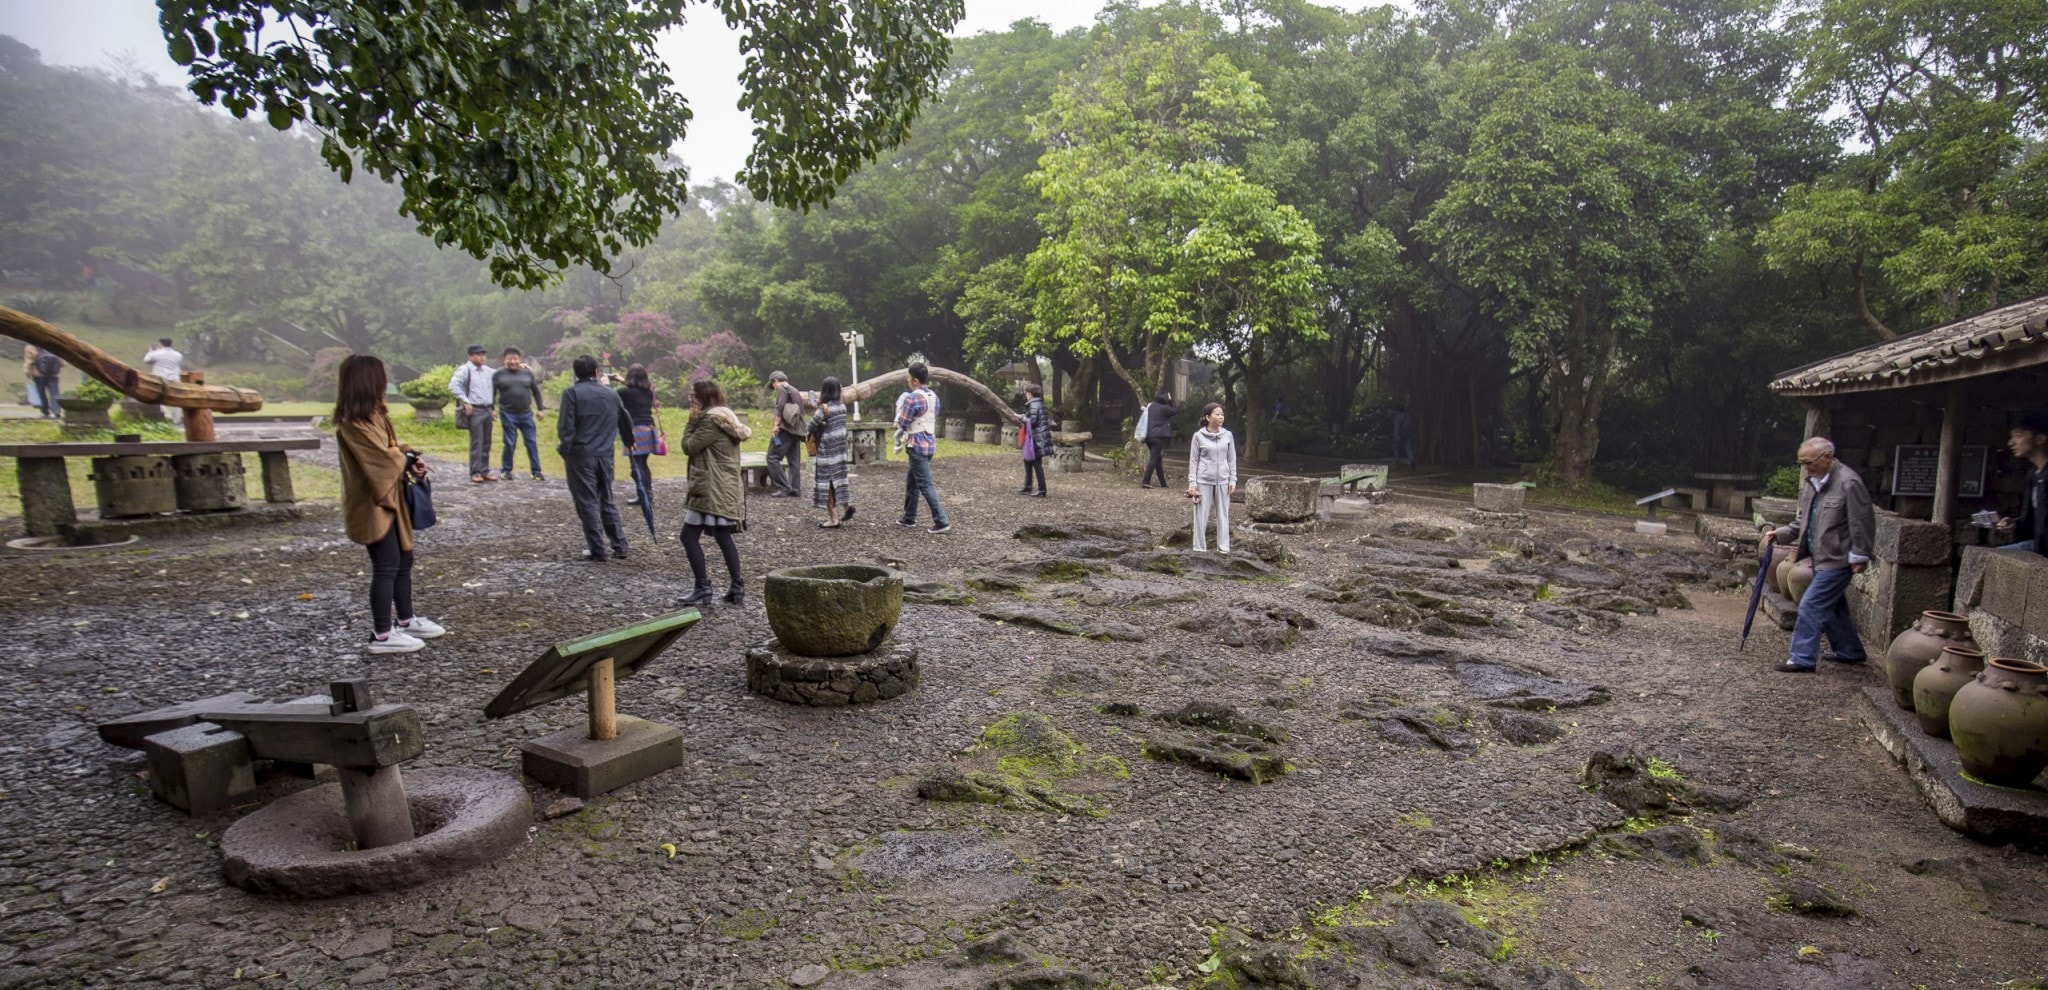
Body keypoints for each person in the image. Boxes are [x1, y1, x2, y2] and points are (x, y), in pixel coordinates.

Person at [332, 355, 446, 654]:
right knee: (386, 565)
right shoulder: (352, 423)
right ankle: (382, 634)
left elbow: (391, 448)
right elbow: (380, 460)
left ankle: (406, 620)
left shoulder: (375, 415)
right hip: (374, 503)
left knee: (404, 560)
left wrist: (411, 454)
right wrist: (404, 459)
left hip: (392, 499)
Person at [1763, 437, 1875, 673]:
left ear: (1827, 457)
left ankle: (1802, 657)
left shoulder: (1848, 482)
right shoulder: (1813, 481)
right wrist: (1782, 533)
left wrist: (1860, 555)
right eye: (1801, 463)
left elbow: (1862, 521)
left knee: (1810, 605)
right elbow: (1804, 520)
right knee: (1834, 607)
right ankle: (1850, 651)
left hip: (1838, 559)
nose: (1805, 467)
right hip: (1820, 557)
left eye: (1809, 462)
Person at [679, 378, 752, 605]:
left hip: (710, 487)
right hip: (725, 487)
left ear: (703, 397)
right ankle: (736, 587)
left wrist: (691, 421)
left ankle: (702, 587)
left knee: (688, 536)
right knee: (722, 536)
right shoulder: (726, 416)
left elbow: (688, 446)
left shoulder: (710, 420)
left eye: (693, 397)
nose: (692, 401)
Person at [556, 355, 635, 561]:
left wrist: (565, 448)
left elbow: (566, 426)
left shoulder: (572, 393)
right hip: (605, 454)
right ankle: (620, 545)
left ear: (576, 373)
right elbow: (624, 419)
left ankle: (597, 548)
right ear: (596, 372)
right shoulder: (610, 394)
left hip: (581, 455)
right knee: (606, 498)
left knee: (587, 501)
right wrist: (629, 440)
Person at [894, 363, 951, 533]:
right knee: (912, 481)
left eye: (909, 377)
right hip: (929, 443)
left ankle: (941, 521)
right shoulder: (934, 396)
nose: (908, 379)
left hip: (916, 445)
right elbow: (934, 414)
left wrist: (898, 424)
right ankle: (909, 517)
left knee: (925, 484)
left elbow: (903, 422)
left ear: (915, 380)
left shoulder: (912, 398)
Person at [1187, 402, 1238, 552]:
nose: (1220, 416)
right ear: (1208, 417)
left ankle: (1223, 550)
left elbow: (1232, 459)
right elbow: (1193, 460)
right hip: (1203, 481)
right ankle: (1199, 549)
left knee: (1223, 516)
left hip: (1223, 480)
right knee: (1201, 517)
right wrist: (1192, 483)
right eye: (1217, 414)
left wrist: (1233, 479)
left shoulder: (1228, 435)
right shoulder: (1198, 436)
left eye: (1222, 414)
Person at [1995, 413, 2048, 554]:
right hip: (2039, 546)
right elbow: (2036, 519)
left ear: (2040, 439)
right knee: (1986, 559)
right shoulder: (2034, 475)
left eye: (2018, 435)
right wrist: (2015, 524)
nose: (2011, 442)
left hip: (2043, 550)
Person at [492, 347, 546, 481]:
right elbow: (491, 393)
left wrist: (540, 408)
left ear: (520, 360)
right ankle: (506, 470)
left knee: (531, 442)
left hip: (526, 413)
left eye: (515, 358)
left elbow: (536, 392)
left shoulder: (527, 373)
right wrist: (491, 409)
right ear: (504, 360)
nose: (512, 361)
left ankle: (536, 471)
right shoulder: (498, 374)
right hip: (507, 413)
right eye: (509, 359)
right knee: (510, 443)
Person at [810, 377, 856, 527]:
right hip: (840, 451)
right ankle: (846, 506)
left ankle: (833, 519)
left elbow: (811, 427)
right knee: (840, 480)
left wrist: (817, 408)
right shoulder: (842, 407)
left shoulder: (823, 409)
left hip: (826, 452)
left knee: (827, 484)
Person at [449, 345, 497, 483]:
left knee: (487, 442)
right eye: (478, 354)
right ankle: (475, 472)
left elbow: (500, 373)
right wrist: (466, 401)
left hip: (487, 408)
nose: (482, 357)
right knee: (477, 441)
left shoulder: (487, 371)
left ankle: (484, 470)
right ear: (470, 356)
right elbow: (453, 385)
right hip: (475, 409)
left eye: (483, 354)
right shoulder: (465, 370)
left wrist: (520, 366)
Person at [618, 364, 659, 506]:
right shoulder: (649, 392)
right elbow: (634, 390)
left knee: (636, 465)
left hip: (634, 431)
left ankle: (643, 496)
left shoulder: (623, 392)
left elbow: (614, 396)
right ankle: (647, 494)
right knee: (643, 464)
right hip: (648, 429)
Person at [765, 370, 808, 498]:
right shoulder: (794, 390)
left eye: (772, 384)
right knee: (794, 460)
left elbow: (780, 407)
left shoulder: (782, 389)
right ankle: (795, 489)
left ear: (775, 381)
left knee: (772, 457)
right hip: (796, 430)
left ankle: (784, 487)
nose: (773, 388)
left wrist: (776, 425)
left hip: (786, 429)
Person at [1019, 383, 1051, 497]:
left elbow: (1031, 421)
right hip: (1039, 438)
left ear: (1030, 394)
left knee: (1037, 464)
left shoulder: (1033, 405)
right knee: (1027, 460)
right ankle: (1028, 485)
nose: (1026, 395)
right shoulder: (1040, 404)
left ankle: (1042, 490)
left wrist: (1021, 418)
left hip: (1036, 439)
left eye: (1027, 393)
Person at [1140, 390, 1177, 488]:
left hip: (1148, 436)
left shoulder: (1151, 406)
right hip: (1158, 436)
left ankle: (1163, 483)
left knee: (1157, 459)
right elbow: (1175, 410)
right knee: (1153, 459)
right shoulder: (1164, 408)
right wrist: (1171, 400)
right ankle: (1145, 481)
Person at [143, 338, 184, 424]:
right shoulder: (178, 354)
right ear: (171, 344)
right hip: (174, 377)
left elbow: (146, 360)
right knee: (176, 398)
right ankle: (177, 419)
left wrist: (150, 352)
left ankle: (166, 415)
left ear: (160, 344)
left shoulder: (156, 353)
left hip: (160, 378)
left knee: (159, 397)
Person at [28, 345, 61, 419]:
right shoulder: (53, 346)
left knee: (41, 394)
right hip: (53, 374)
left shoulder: (31, 347)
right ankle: (57, 411)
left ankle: (45, 412)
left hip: (38, 375)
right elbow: (61, 362)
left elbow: (29, 361)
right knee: (55, 393)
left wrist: (28, 372)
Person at [22, 345, 44, 414]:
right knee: (51, 392)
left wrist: (26, 371)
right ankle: (54, 410)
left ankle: (40, 406)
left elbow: (28, 361)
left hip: (36, 373)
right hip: (48, 373)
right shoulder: (44, 347)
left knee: (40, 391)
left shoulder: (30, 348)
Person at [1392, 403, 1415, 467]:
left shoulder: (1397, 417)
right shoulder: (1407, 415)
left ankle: (1396, 461)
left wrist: (1395, 436)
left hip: (1400, 434)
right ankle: (1411, 460)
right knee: (1408, 448)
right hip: (1408, 433)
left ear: (1397, 410)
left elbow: (1397, 427)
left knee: (1395, 447)